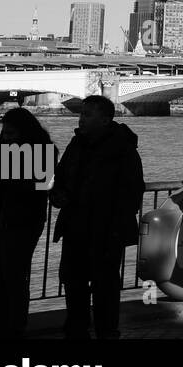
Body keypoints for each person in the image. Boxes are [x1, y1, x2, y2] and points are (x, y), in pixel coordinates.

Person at [50, 95, 144, 340]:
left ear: (104, 119)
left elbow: (133, 191)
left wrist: (114, 224)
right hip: (76, 227)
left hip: (107, 230)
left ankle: (106, 332)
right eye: (81, 113)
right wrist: (57, 195)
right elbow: (60, 177)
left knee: (105, 287)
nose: (81, 118)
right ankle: (77, 330)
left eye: (88, 114)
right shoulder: (76, 144)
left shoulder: (123, 149)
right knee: (74, 284)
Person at [0, 107, 52, 339]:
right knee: (1, 277)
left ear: (24, 132)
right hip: (0, 220)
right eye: (5, 134)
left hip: (20, 222)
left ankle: (13, 328)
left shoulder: (42, 153)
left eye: (11, 134)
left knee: (13, 277)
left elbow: (32, 186)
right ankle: (4, 327)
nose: (6, 138)